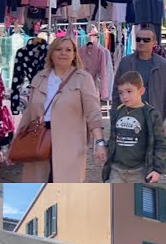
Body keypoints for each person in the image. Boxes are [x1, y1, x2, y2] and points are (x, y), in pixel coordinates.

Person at [16, 36, 105, 182]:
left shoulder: (83, 78)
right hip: (39, 138)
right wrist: (17, 141)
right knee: (38, 183)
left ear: (74, 54)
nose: (63, 53)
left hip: (69, 142)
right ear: (51, 53)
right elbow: (28, 113)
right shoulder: (39, 78)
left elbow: (93, 113)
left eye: (68, 50)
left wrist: (100, 142)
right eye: (58, 49)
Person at [101, 71, 166, 183]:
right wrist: (106, 149)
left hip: (139, 171)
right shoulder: (118, 112)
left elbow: (160, 143)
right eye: (121, 93)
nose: (124, 96)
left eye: (129, 91)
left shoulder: (151, 114)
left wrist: (157, 169)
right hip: (117, 169)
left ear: (141, 91)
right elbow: (114, 137)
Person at [113, 29, 166, 139]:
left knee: (152, 153)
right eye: (138, 39)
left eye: (146, 40)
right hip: (128, 117)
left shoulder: (163, 66)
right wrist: (115, 114)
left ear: (154, 43)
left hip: (153, 118)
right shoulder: (126, 62)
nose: (141, 42)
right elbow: (116, 91)